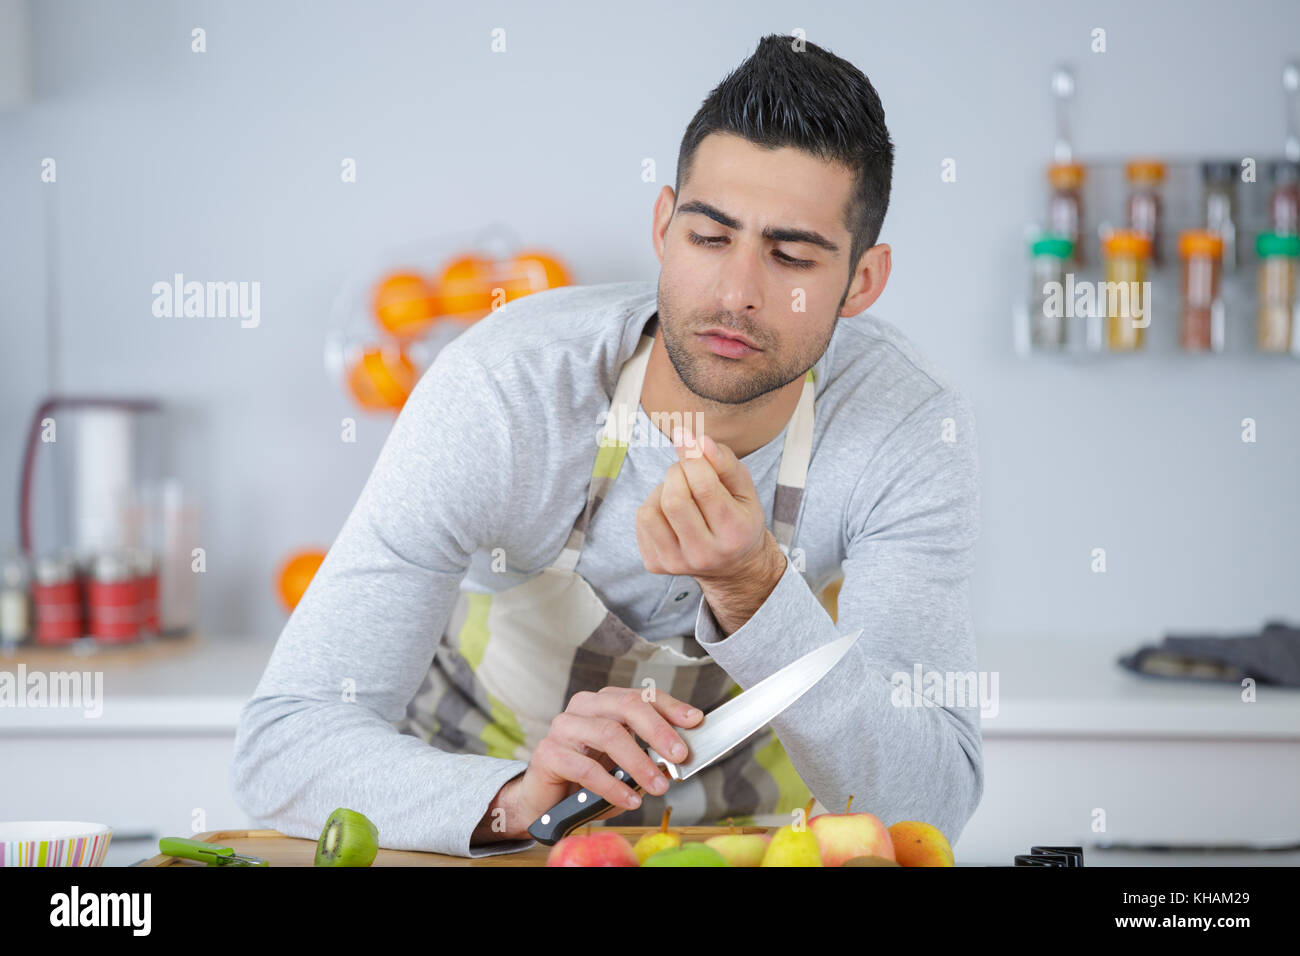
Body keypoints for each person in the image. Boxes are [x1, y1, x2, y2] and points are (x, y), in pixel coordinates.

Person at [231, 33, 983, 859]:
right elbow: (285, 742)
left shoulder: (909, 426)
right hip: (484, 841)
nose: (737, 294)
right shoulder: (504, 391)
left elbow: (930, 803)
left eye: (791, 256)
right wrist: (513, 800)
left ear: (863, 282)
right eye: (709, 237)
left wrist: (755, 590)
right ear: (663, 226)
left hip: (754, 848)